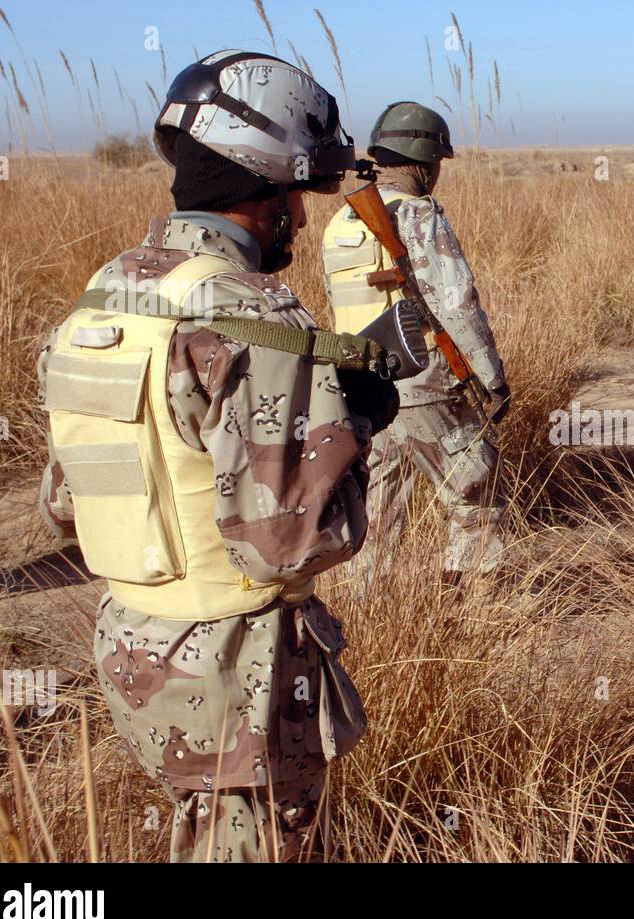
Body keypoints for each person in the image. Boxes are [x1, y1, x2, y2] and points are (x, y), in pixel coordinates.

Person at [37, 51, 392, 862]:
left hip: (133, 647)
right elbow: (293, 540)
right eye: (295, 197)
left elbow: (65, 503)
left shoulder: (106, 290)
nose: (300, 221)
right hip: (239, 671)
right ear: (266, 182)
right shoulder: (252, 310)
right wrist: (356, 424)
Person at [323, 101, 510, 580]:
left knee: (375, 518)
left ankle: (371, 618)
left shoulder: (340, 224)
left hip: (362, 387)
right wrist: (491, 377)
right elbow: (458, 303)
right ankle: (479, 612)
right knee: (475, 498)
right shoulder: (420, 214)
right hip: (427, 384)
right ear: (424, 163)